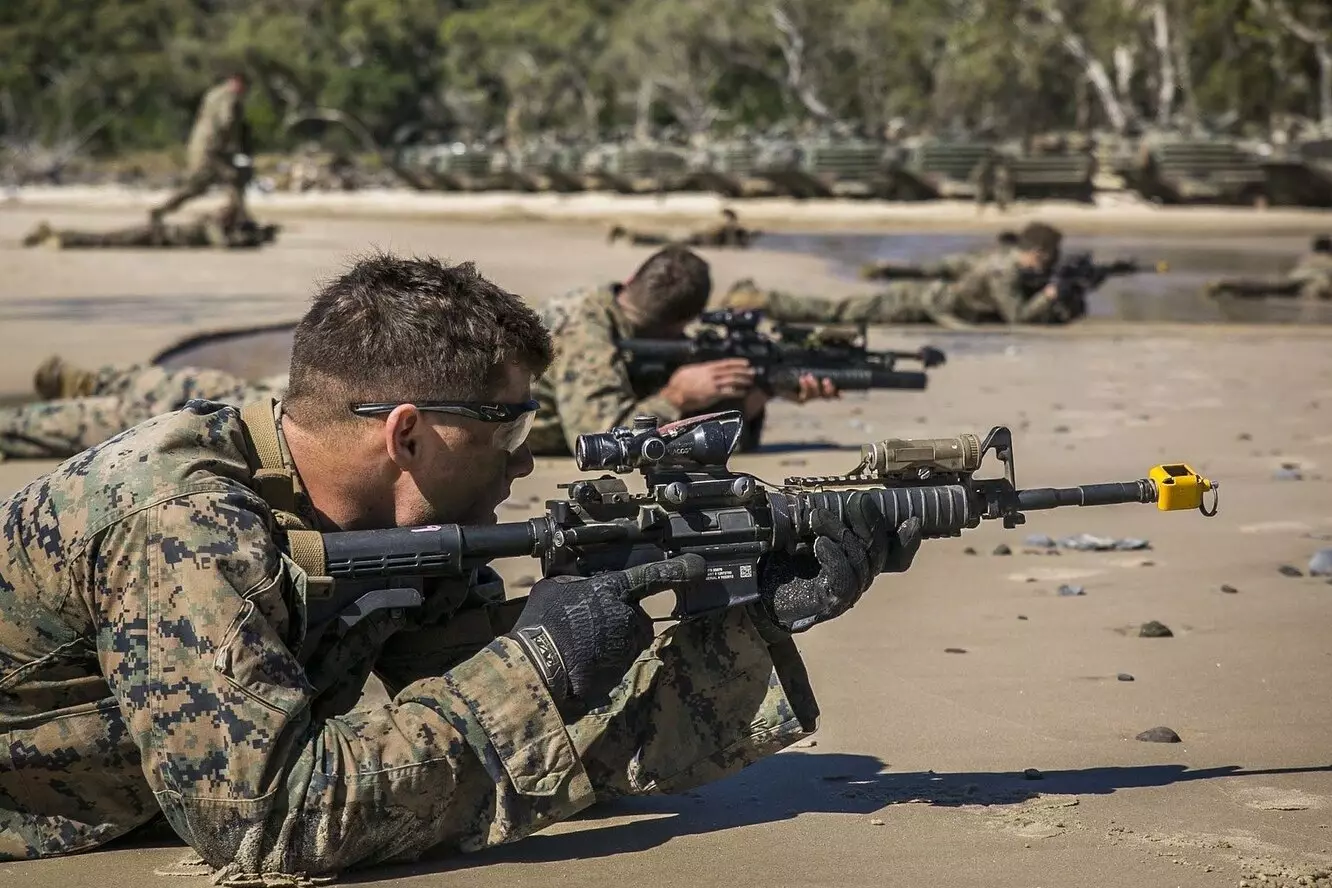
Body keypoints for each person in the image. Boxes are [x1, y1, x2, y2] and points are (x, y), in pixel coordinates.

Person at [0, 252, 924, 878]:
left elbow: (504, 745)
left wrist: (745, 620)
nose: (527, 458)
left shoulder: (409, 520)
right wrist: (539, 658)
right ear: (408, 432)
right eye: (511, 426)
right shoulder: (183, 526)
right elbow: (267, 820)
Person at [527, 246, 837, 457]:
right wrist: (675, 398)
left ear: (631, 279)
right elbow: (602, 442)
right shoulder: (584, 333)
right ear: (682, 324)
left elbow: (687, 436)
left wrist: (758, 393)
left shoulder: (612, 307)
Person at [720, 222, 1075, 328]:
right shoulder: (1006, 272)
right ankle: (760, 300)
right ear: (1038, 254)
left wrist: (892, 270)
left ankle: (761, 298)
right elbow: (1018, 318)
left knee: (842, 310)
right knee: (839, 313)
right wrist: (1049, 297)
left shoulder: (999, 257)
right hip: (919, 304)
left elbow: (946, 265)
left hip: (925, 297)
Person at [0, 358, 286, 460]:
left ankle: (12, 427)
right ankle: (93, 383)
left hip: (271, 424)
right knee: (201, 383)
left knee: (155, 421)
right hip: (274, 396)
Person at [149, 73, 253, 224]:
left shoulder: (213, 93)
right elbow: (226, 121)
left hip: (201, 145)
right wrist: (236, 144)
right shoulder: (230, 98)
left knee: (205, 185)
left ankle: (239, 216)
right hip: (213, 148)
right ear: (237, 83)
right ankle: (241, 217)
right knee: (226, 179)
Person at [19, 207, 279, 251]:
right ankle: (59, 236)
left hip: (156, 235)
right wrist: (251, 240)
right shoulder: (212, 224)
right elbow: (222, 243)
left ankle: (57, 235)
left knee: (107, 239)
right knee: (106, 240)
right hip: (155, 234)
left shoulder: (212, 222)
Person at [1204, 235, 1332, 301]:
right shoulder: (1326, 260)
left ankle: (1227, 285)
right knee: (1266, 290)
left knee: (1265, 289)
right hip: (1300, 284)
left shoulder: (1308, 257)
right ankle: (1228, 286)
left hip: (1293, 280)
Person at [858, 230, 1019, 282]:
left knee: (923, 273)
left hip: (962, 267)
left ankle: (885, 270)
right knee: (923, 273)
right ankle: (885, 270)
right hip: (960, 267)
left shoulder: (1004, 253)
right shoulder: (1008, 255)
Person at [608, 208, 761, 248]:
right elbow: (735, 241)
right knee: (659, 240)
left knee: (658, 239)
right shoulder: (726, 225)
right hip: (691, 238)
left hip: (690, 235)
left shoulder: (717, 223)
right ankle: (627, 232)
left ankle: (629, 234)